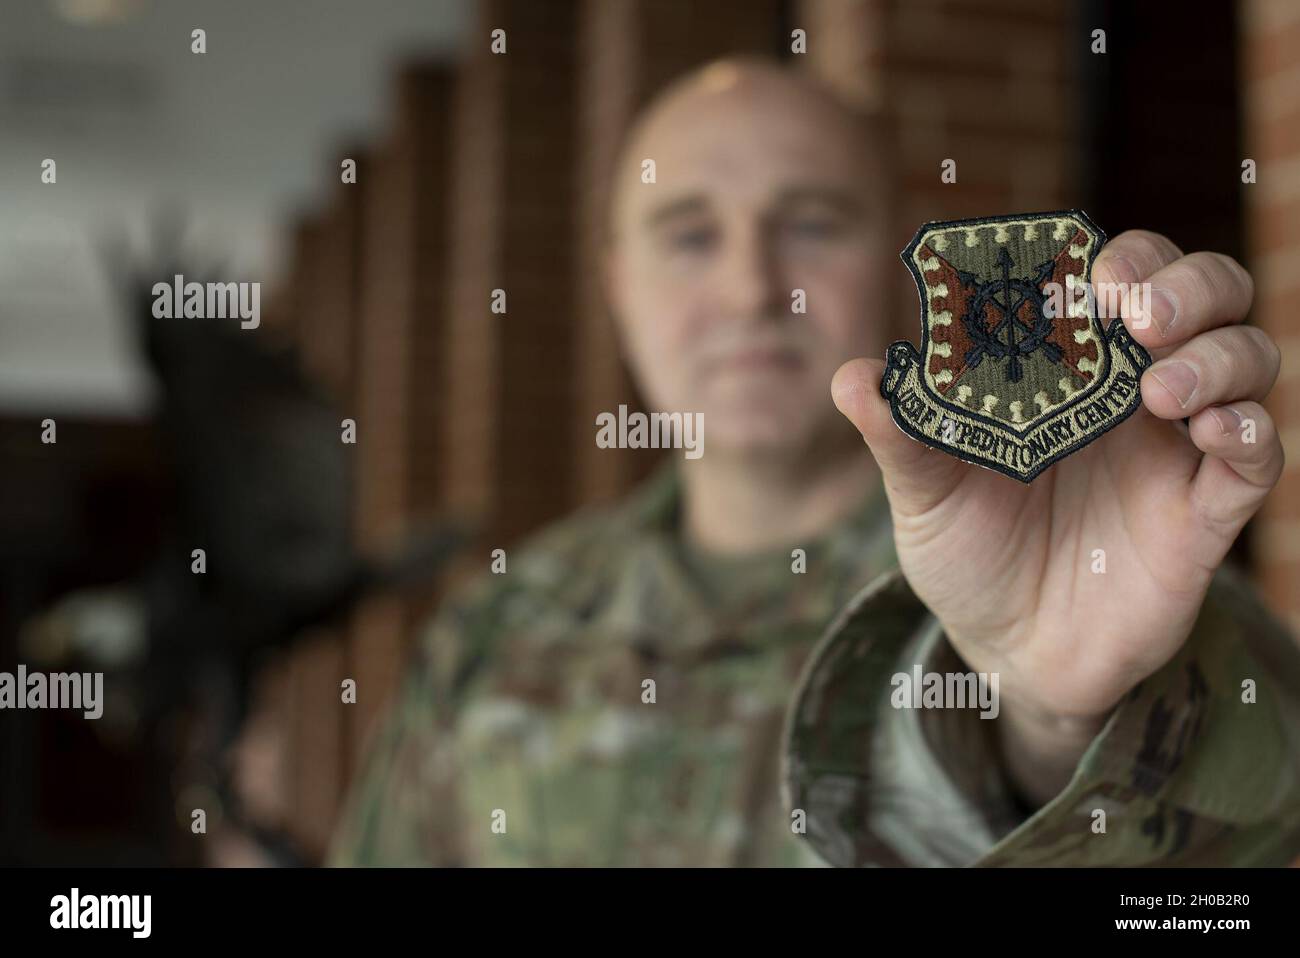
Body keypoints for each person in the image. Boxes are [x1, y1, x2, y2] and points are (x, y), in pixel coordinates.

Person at [329, 58, 1300, 867]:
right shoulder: (493, 633)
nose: (752, 287)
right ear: (619, 288)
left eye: (812, 224)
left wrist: (1053, 725)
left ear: (899, 264)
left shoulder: (1105, 582)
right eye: (691, 235)